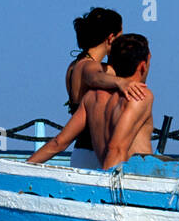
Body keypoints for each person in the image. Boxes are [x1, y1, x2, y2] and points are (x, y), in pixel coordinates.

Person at [29, 34, 155, 169]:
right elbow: (116, 148)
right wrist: (105, 185)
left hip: (108, 173)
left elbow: (58, 143)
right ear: (143, 65)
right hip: (134, 181)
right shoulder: (140, 96)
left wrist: (23, 168)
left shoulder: (92, 97)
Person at [63, 8, 146, 168]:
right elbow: (95, 77)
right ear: (110, 38)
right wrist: (121, 82)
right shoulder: (90, 66)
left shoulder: (74, 66)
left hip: (80, 152)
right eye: (120, 37)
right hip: (97, 156)